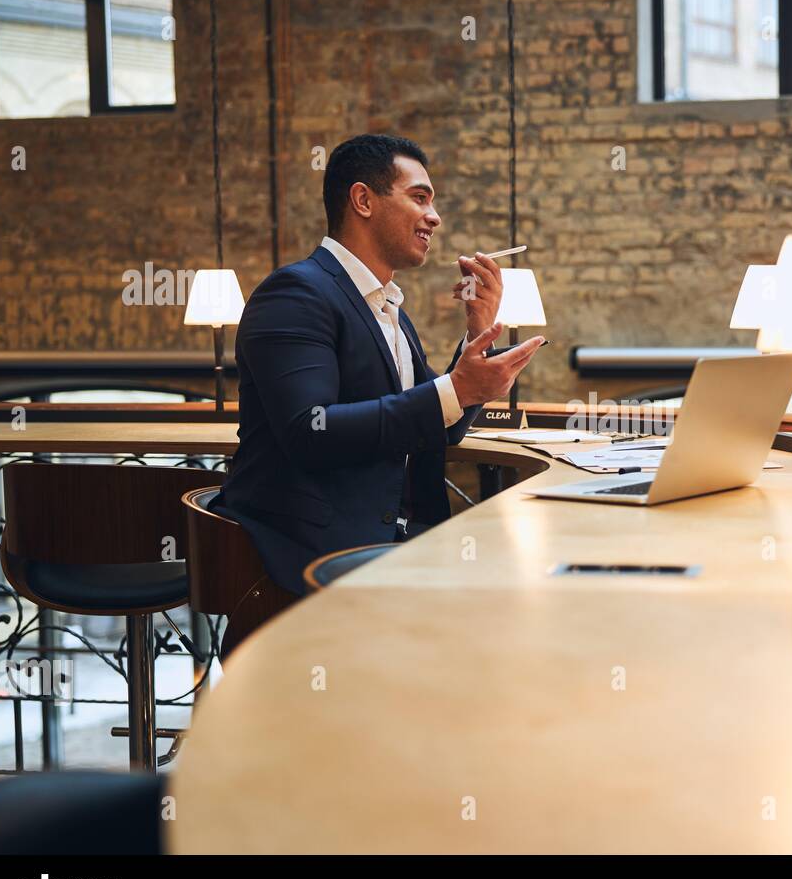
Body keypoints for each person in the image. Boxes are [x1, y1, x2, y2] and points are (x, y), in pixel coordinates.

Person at [212, 133, 544, 596]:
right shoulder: (295, 293)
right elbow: (311, 432)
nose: (435, 216)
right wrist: (458, 390)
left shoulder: (389, 309)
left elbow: (439, 425)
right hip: (314, 555)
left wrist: (477, 330)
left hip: (403, 544)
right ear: (363, 200)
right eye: (419, 198)